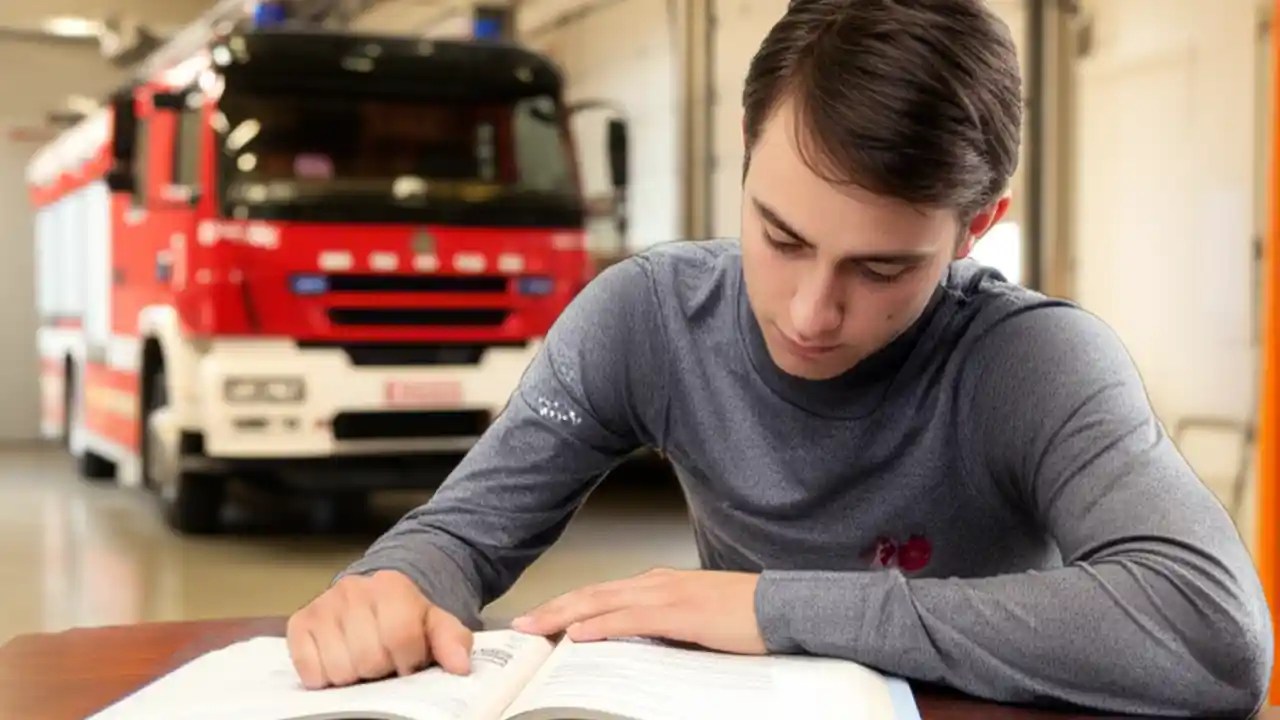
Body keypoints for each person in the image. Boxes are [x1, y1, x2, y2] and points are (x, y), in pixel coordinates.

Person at [285, 0, 1273, 715]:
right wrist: (396, 587)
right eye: (780, 236)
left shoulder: (1029, 362)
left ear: (976, 228)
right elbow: (460, 536)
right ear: (745, 147)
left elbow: (1210, 633)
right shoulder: (648, 318)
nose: (809, 312)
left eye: (880, 267)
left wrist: (771, 606)